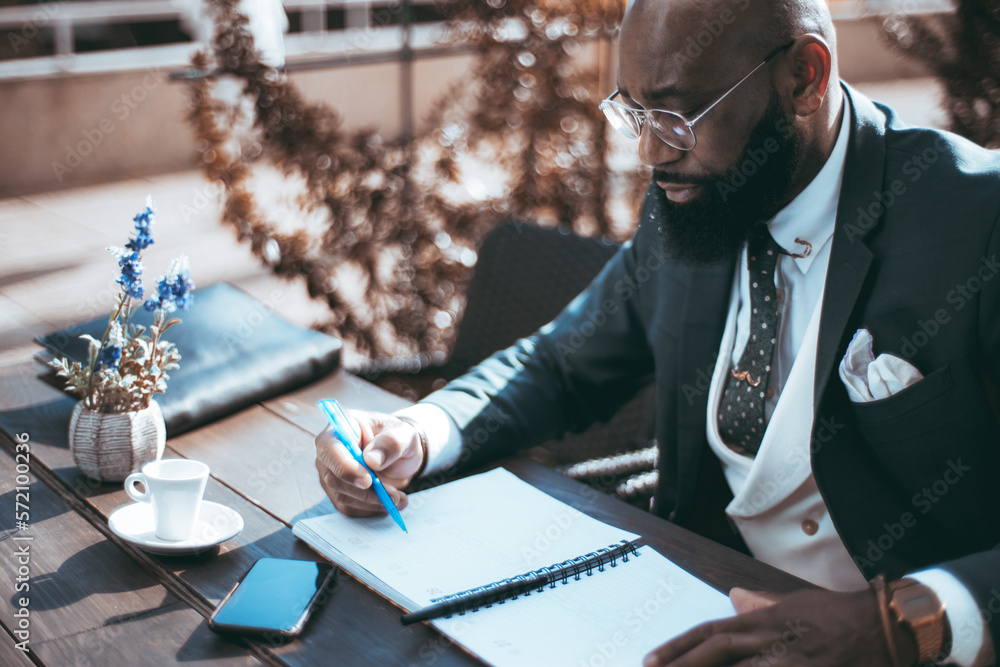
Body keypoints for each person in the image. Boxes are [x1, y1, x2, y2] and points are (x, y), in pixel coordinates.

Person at [315, 0, 1000, 664]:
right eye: (636, 113)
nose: (650, 151)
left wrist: (906, 623)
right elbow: (560, 361)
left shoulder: (979, 223)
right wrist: (420, 431)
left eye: (678, 113)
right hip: (691, 612)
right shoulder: (695, 190)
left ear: (804, 77)